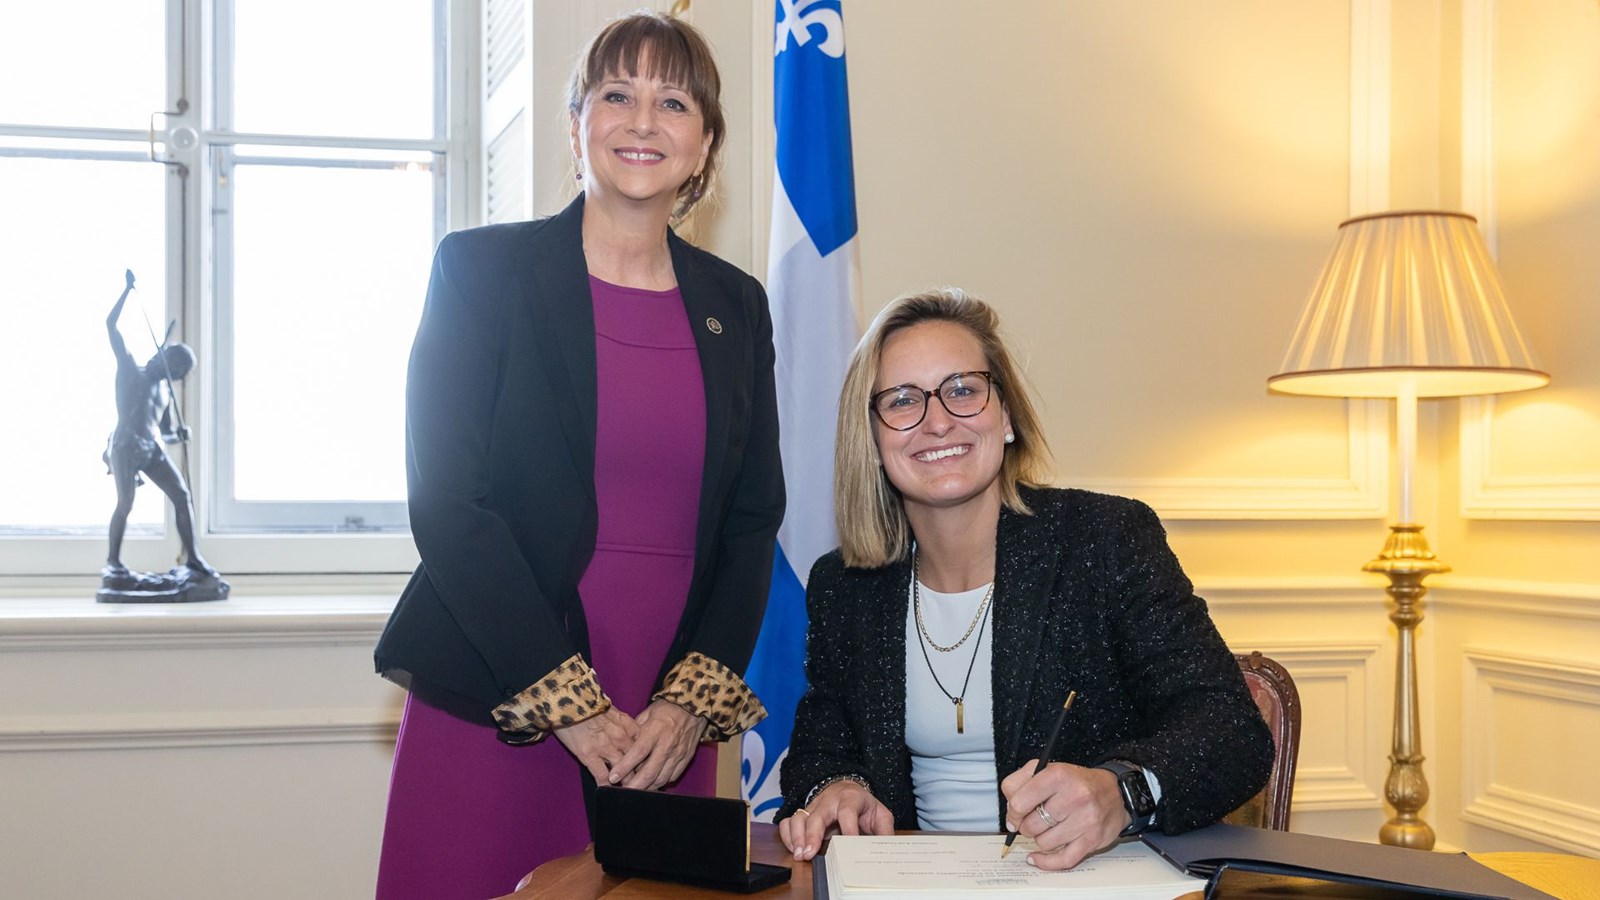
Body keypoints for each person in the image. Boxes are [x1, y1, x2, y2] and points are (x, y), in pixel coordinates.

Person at [372, 12, 784, 898]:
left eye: (673, 101)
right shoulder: (480, 272)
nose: (643, 121)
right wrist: (571, 704)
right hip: (502, 683)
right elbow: (449, 504)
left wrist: (686, 703)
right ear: (575, 124)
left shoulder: (737, 306)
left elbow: (754, 520)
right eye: (616, 95)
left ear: (705, 143)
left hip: (667, 714)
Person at [776, 288, 1272, 871]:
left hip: (1084, 879)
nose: (937, 422)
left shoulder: (1104, 538)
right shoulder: (844, 584)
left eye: (963, 390)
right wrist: (834, 787)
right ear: (874, 436)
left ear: (1006, 415)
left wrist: (1122, 792)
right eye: (904, 400)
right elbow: (818, 748)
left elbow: (1230, 729)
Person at [103, 269, 218, 587]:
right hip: (126, 444)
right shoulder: (130, 369)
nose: (174, 375)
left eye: (178, 373)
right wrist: (127, 290)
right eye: (175, 366)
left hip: (150, 448)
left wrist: (179, 435)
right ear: (163, 355)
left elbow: (165, 433)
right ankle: (113, 562)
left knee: (182, 495)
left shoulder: (165, 392)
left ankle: (193, 557)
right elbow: (111, 326)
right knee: (125, 502)